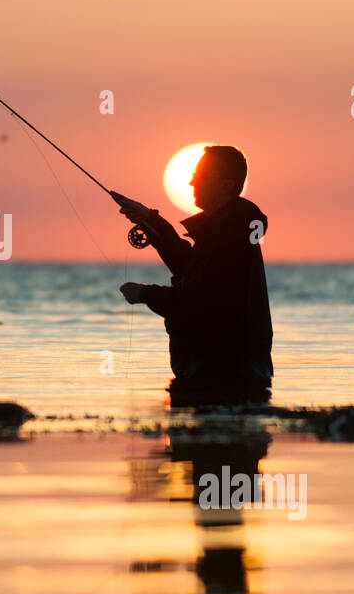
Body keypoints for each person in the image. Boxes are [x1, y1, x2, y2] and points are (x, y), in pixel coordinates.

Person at [114, 145, 273, 406]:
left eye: (200, 175)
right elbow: (191, 268)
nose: (191, 181)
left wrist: (143, 293)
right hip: (233, 374)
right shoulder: (228, 228)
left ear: (225, 185)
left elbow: (194, 303)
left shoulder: (229, 234)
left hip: (220, 375)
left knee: (208, 441)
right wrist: (149, 220)